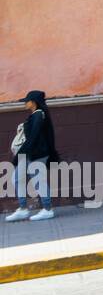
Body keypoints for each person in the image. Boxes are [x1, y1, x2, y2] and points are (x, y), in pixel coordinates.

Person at [6, 90, 58, 222]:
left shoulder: (39, 115)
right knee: (17, 178)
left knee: (38, 181)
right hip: (30, 153)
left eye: (27, 101)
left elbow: (33, 137)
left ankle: (47, 209)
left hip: (37, 154)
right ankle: (23, 209)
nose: (25, 103)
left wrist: (18, 155)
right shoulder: (36, 115)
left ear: (33, 102)